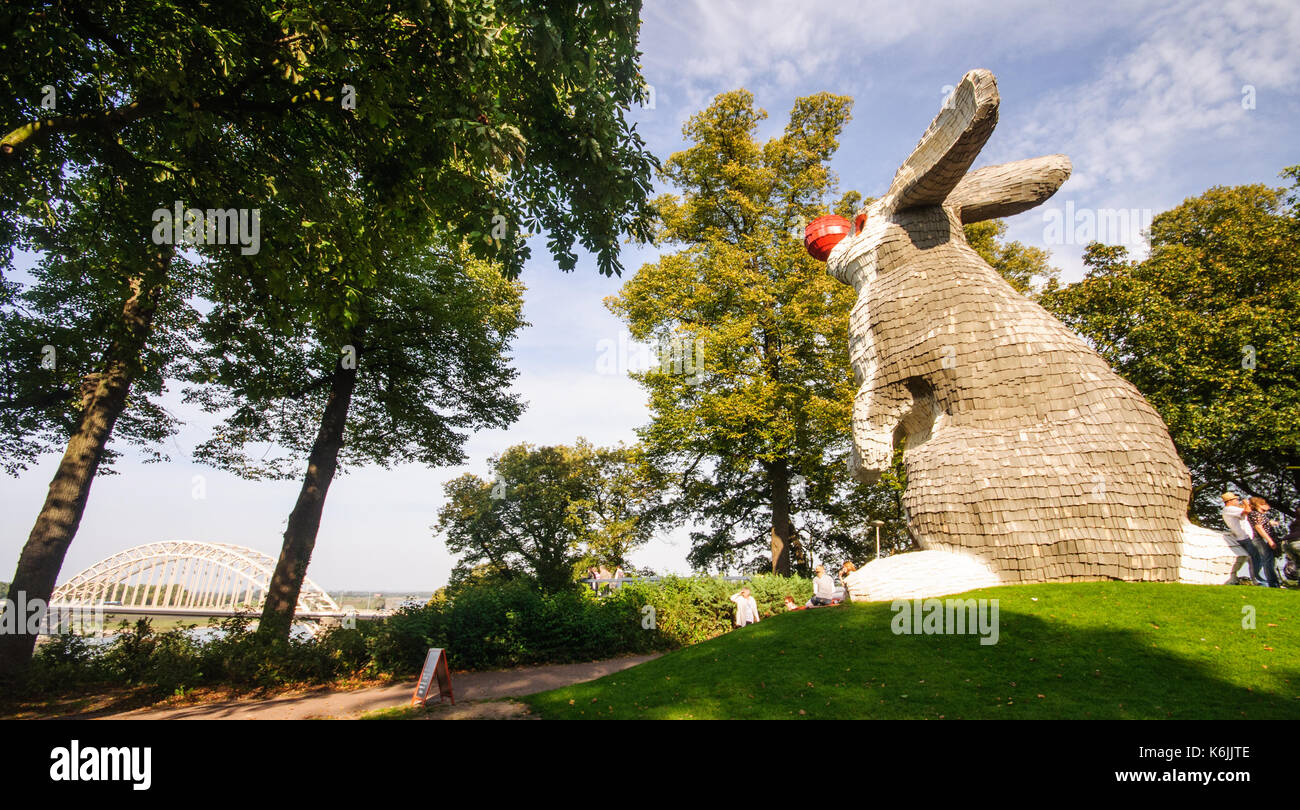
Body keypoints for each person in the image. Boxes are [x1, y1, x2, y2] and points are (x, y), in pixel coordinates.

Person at [1221, 493, 1262, 585]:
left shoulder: (1230, 510)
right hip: (1244, 538)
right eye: (1235, 499)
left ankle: (1257, 580)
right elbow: (1247, 511)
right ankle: (1259, 580)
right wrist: (1246, 504)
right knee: (1256, 559)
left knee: (1253, 559)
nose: (1237, 501)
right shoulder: (1229, 509)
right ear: (1230, 501)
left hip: (1244, 537)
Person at [1245, 497, 1281, 588]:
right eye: (1264, 504)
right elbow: (1259, 527)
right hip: (1261, 539)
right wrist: (1269, 540)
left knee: (1269, 560)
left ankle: (1273, 582)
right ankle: (1273, 583)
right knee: (1268, 561)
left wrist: (1272, 523)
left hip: (1261, 539)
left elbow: (1263, 523)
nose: (1267, 506)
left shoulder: (1258, 514)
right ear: (1259, 505)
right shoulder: (1256, 514)